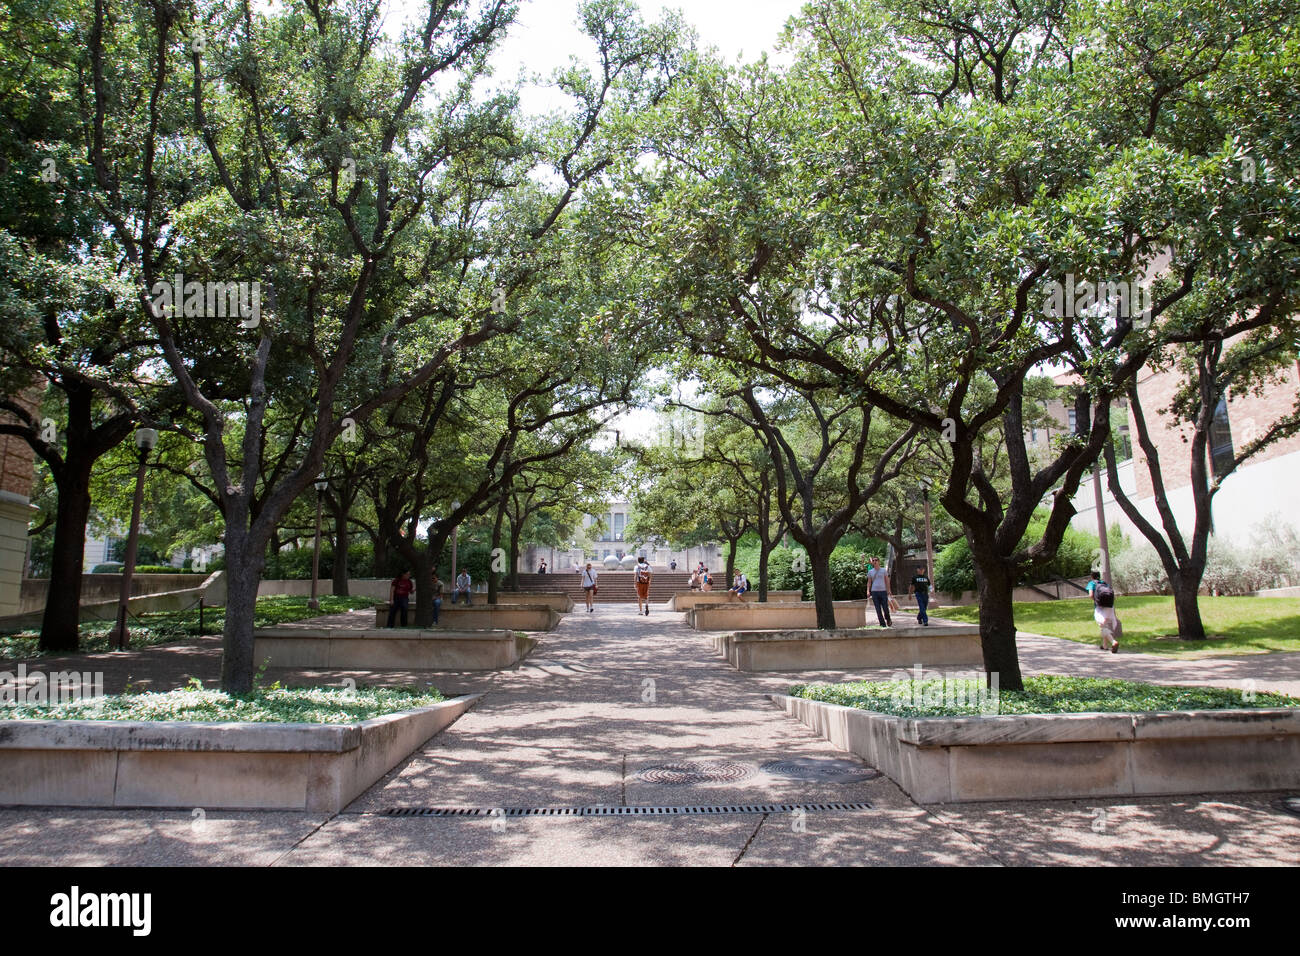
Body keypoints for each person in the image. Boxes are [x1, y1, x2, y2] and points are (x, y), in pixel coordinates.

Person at [1091, 574, 1122, 653]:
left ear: (1092, 576)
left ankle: (1113, 642)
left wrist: (1095, 600)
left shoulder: (1092, 583)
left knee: (1102, 626)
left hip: (1100, 608)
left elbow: (1091, 595)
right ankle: (1105, 645)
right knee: (1105, 625)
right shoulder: (1104, 584)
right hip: (1109, 607)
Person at [867, 556, 892, 627]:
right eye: (873, 560)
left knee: (885, 608)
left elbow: (887, 581)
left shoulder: (883, 570)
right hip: (874, 592)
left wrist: (889, 590)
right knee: (878, 609)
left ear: (879, 561)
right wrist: (868, 591)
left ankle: (888, 619)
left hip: (883, 591)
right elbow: (869, 582)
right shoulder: (870, 572)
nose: (875, 562)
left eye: (876, 560)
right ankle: (882, 624)